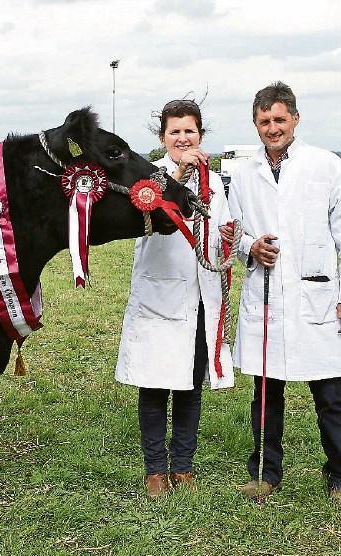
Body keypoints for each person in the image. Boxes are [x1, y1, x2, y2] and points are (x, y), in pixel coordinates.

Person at [224, 81, 341, 502]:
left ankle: (339, 475)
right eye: (264, 121)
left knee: (330, 395)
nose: (272, 128)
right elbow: (232, 232)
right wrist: (249, 247)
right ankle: (266, 473)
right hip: (267, 295)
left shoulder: (326, 165)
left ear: (295, 118)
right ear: (256, 124)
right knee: (266, 395)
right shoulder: (242, 173)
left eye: (279, 119)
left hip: (317, 298)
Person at [115, 99, 234, 499]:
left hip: (200, 296)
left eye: (190, 131)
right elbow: (147, 225)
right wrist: (180, 174)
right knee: (153, 386)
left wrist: (236, 244)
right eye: (175, 131)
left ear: (201, 134)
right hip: (160, 296)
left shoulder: (215, 182)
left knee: (189, 386)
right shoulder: (149, 181)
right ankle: (154, 470)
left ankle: (182, 467)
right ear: (162, 137)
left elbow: (223, 231)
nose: (183, 138)